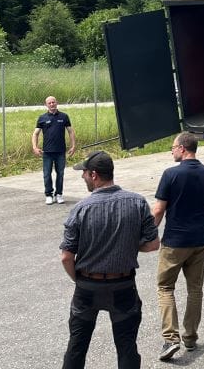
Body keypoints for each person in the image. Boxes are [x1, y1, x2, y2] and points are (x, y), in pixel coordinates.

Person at [60, 150, 159, 369]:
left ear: (94, 175)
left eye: (84, 173)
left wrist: (78, 280)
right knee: (126, 347)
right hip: (123, 285)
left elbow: (66, 256)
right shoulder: (138, 202)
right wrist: (127, 245)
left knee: (77, 347)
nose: (83, 176)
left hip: (87, 287)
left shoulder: (80, 209)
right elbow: (153, 244)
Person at [151, 132, 204, 361]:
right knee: (195, 289)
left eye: (173, 147)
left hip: (174, 242)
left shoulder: (170, 174)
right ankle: (190, 337)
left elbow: (159, 210)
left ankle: (171, 339)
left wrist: (148, 235)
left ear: (182, 148)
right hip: (199, 241)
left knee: (165, 287)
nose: (171, 151)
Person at [32, 95, 77, 205]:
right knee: (47, 174)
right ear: (46, 105)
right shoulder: (42, 118)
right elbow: (35, 134)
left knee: (60, 174)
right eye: (49, 103)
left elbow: (70, 131)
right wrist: (35, 147)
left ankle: (59, 194)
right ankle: (49, 195)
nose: (52, 104)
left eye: (53, 102)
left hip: (60, 152)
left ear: (57, 103)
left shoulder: (64, 117)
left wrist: (73, 146)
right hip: (47, 152)